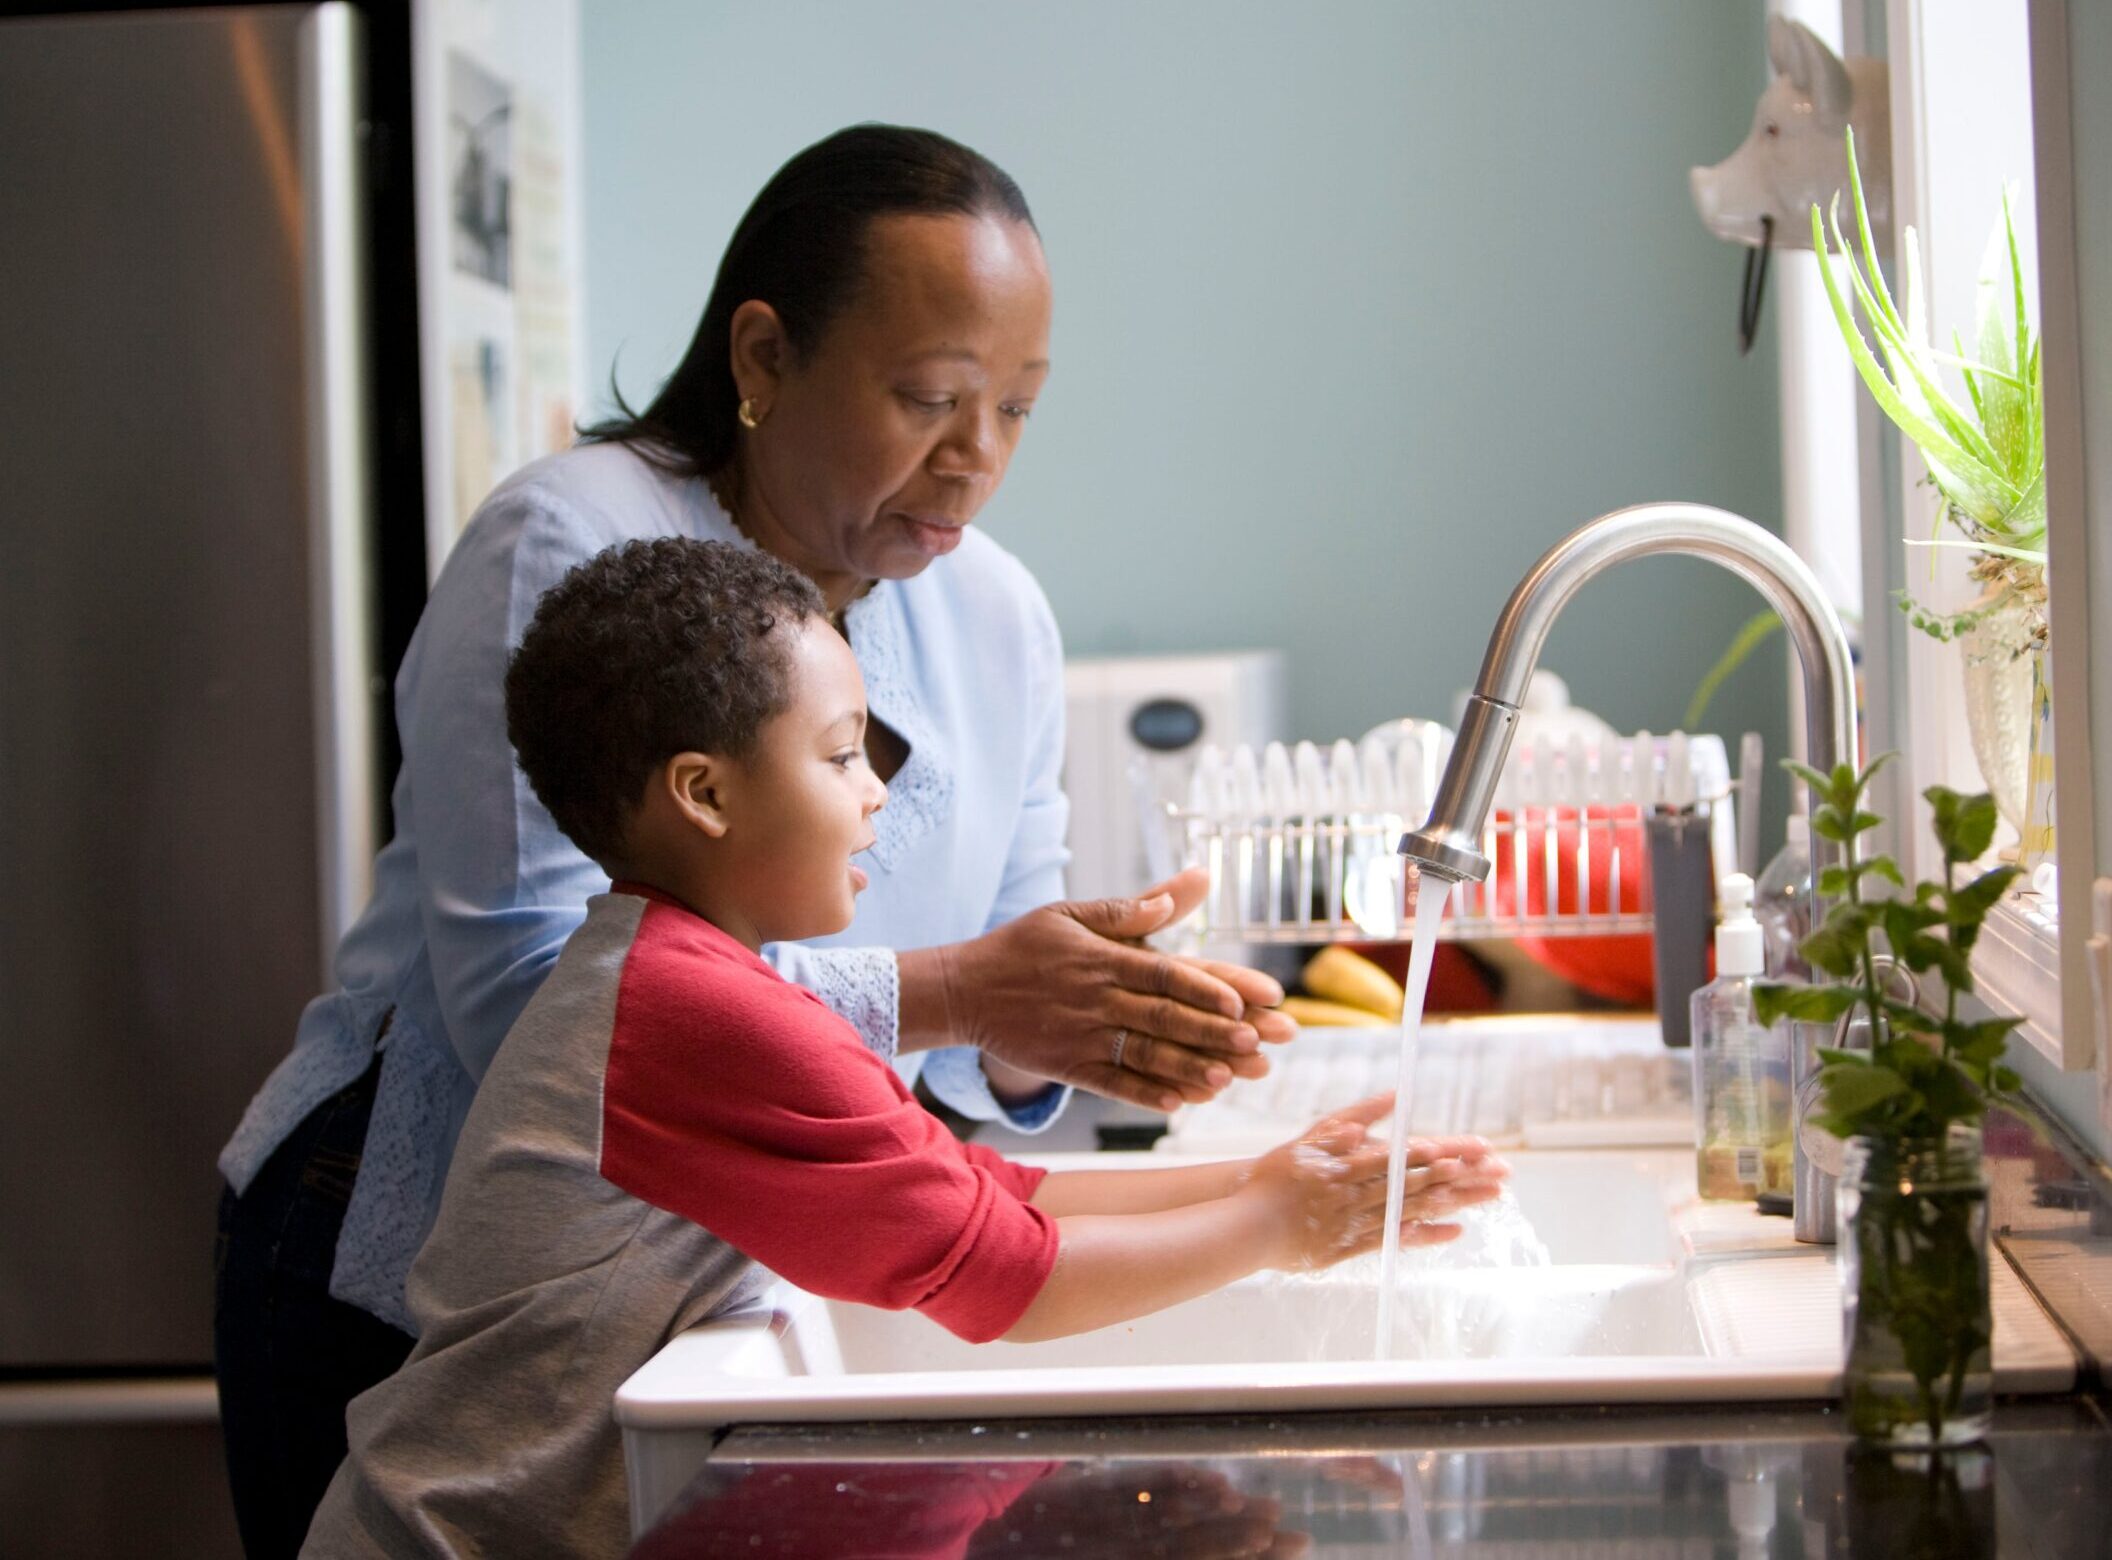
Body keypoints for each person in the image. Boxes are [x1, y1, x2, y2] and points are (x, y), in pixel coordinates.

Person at [214, 122, 1299, 1557]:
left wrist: (1091, 1017)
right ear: (765, 356)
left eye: (1018, 409)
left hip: (705, 1290)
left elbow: (984, 1059)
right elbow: (535, 1012)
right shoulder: (572, 542)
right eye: (930, 396)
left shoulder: (998, 617)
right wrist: (966, 987)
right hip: (401, 1261)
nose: (974, 459)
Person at [300, 537, 1506, 1558]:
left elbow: (993, 1189)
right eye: (838, 756)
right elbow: (1011, 1282)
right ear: (704, 795)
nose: (876, 790)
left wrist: (1263, 1178)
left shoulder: (684, 977)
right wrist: (1281, 1226)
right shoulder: (692, 1013)